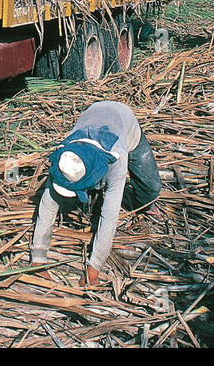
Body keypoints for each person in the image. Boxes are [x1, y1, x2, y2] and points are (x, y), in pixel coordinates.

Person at [30, 101, 161, 286]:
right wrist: (38, 260)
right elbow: (47, 206)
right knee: (76, 196)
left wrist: (93, 269)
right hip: (94, 112)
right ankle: (91, 185)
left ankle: (135, 195)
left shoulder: (116, 159)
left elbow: (109, 216)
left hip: (125, 122)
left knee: (151, 191)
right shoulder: (64, 156)